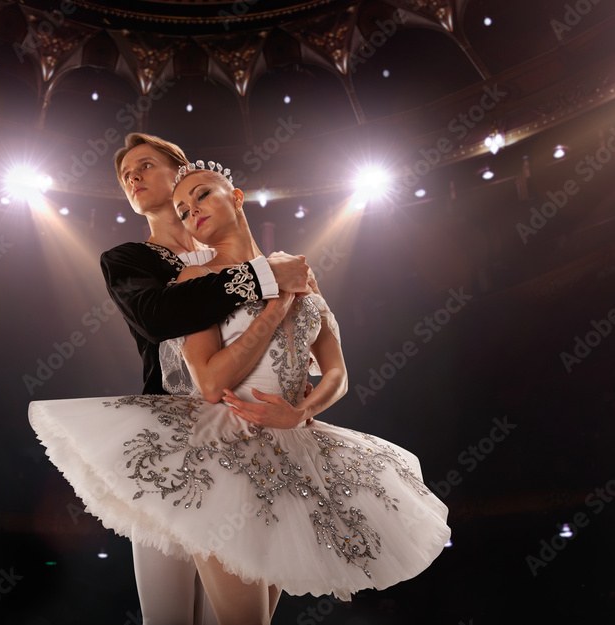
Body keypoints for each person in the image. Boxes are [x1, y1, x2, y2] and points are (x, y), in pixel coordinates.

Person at [29, 156, 451, 624]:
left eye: (201, 195)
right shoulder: (194, 280)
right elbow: (208, 381)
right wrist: (275, 302)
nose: (191, 212)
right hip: (217, 448)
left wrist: (301, 411)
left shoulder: (298, 272)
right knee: (186, 617)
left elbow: (336, 372)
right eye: (184, 209)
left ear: (236, 196)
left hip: (292, 447)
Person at [98, 133, 312, 624]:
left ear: (183, 171)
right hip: (170, 438)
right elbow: (157, 315)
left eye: (145, 165)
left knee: (237, 613)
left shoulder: (250, 255)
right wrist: (262, 279)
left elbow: (299, 357)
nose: (132, 177)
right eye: (124, 175)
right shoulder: (128, 260)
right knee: (168, 613)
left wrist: (302, 409)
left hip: (252, 439)